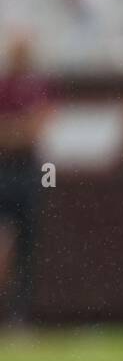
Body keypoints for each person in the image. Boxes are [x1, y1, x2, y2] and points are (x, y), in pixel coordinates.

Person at [0, 31, 51, 327]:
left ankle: (19, 316)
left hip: (27, 172)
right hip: (5, 171)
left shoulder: (36, 87)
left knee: (27, 245)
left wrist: (14, 130)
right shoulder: (5, 87)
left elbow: (38, 127)